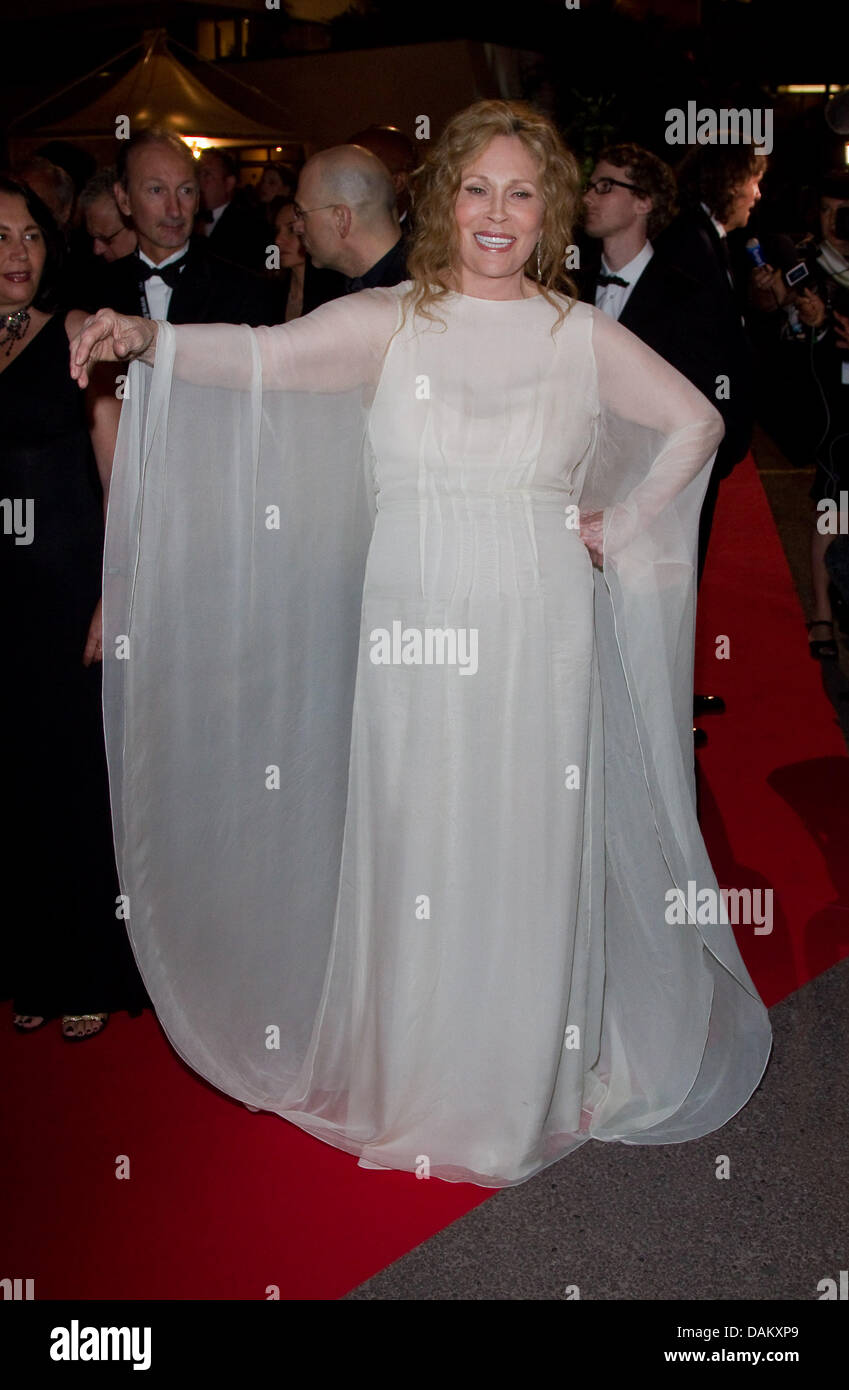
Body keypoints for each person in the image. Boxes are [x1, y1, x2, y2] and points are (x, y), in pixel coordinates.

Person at [69, 100, 771, 1186]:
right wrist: (146, 337)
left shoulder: (575, 335)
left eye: (522, 192)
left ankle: (521, 1078)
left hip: (540, 624)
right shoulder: (394, 319)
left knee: (531, 842)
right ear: (446, 201)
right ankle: (425, 1073)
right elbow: (264, 357)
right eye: (478, 189)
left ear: (550, 214)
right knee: (423, 838)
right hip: (412, 628)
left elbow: (699, 422)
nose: (498, 213)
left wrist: (618, 525)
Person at [0, 176, 148, 1039]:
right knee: (14, 782)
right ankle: (32, 963)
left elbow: (121, 473)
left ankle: (87, 962)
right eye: (1, 237)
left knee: (73, 782)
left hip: (65, 591)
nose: (18, 251)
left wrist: (115, 591)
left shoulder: (77, 336)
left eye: (29, 234)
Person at [749, 172, 849, 660]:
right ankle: (823, 614)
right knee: (832, 504)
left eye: (844, 211)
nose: (836, 222)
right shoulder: (804, 261)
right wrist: (773, 294)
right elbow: (773, 308)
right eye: (828, 211)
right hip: (830, 405)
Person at [86, 129, 285, 326]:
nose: (175, 210)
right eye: (156, 190)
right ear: (124, 199)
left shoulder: (243, 290)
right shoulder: (94, 291)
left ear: (198, 199)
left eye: (185, 190)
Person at [293, 145, 407, 293]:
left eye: (301, 213)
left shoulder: (418, 295)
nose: (297, 226)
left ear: (341, 219)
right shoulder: (331, 284)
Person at [196, 149, 268, 273]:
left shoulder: (251, 224)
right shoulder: (189, 219)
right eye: (197, 174)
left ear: (229, 183)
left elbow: (269, 265)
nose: (199, 182)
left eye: (207, 174)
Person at [268, 197, 307, 321]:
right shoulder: (271, 291)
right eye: (277, 231)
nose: (278, 240)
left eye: (291, 230)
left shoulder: (336, 292)